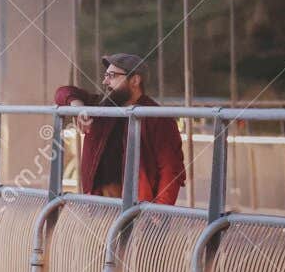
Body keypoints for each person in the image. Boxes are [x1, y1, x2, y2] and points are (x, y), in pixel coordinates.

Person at [54, 54, 186, 204]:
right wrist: (78, 107)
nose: (105, 81)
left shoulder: (157, 117)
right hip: (96, 205)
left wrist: (159, 212)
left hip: (138, 212)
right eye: (105, 76)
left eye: (112, 76)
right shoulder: (100, 105)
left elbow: (170, 169)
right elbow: (62, 93)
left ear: (135, 80)